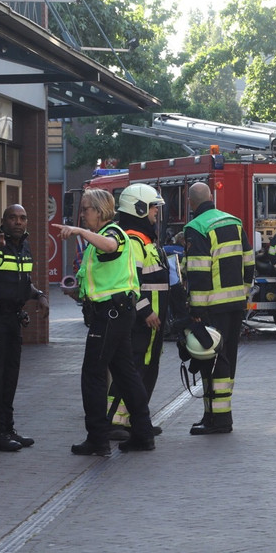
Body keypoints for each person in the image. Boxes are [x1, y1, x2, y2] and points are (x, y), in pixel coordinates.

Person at [52, 188, 156, 456]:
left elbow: (110, 247)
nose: (83, 214)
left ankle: (98, 440)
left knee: (93, 375)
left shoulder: (113, 234)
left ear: (99, 210)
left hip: (110, 315)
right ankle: (143, 435)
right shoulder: (100, 238)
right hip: (115, 313)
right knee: (125, 374)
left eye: (86, 209)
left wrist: (78, 231)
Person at [0, 204, 49, 453]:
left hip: (12, 320)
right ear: (3, 221)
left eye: (22, 218)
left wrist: (40, 295)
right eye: (13, 217)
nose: (18, 221)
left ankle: (7, 428)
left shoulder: (24, 247)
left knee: (10, 377)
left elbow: (23, 282)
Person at [182, 181, 254, 435]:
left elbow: (199, 271)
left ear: (191, 203)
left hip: (212, 306)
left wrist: (197, 312)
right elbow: (249, 260)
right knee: (228, 357)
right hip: (235, 303)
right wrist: (243, 293)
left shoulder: (196, 227)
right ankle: (214, 414)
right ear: (211, 197)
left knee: (211, 360)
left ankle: (219, 419)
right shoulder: (233, 221)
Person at [107, 183, 170, 440]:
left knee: (147, 369)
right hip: (141, 321)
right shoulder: (133, 241)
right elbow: (129, 282)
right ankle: (115, 421)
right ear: (140, 208)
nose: (157, 212)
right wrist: (145, 311)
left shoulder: (146, 241)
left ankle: (136, 419)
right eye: (154, 207)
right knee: (132, 369)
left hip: (152, 323)